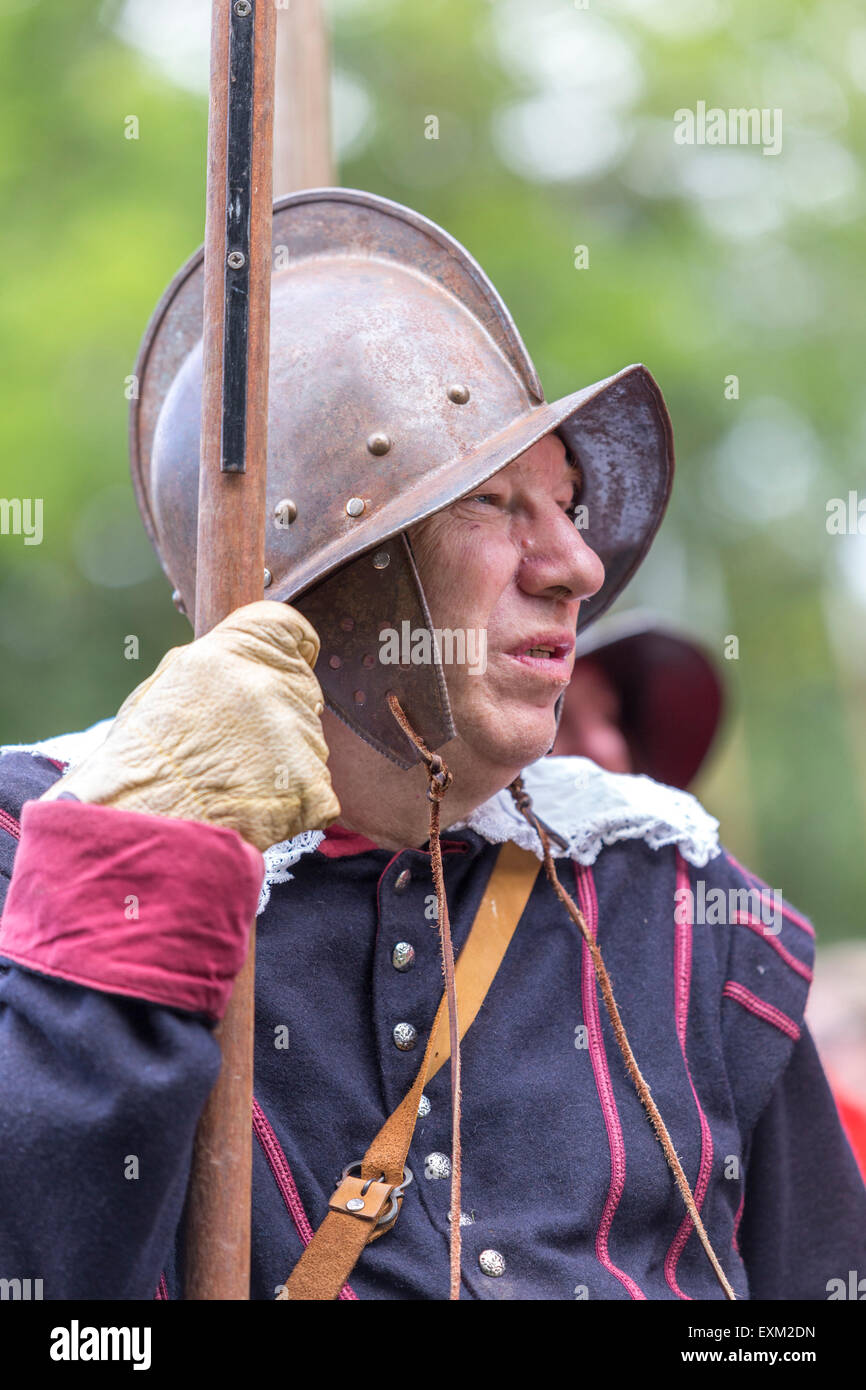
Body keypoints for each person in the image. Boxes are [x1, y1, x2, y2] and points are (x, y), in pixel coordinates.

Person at [1, 189, 863, 1301]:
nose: (576, 566)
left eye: (565, 504)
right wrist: (139, 872)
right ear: (342, 577)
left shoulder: (679, 903)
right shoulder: (38, 855)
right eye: (495, 503)